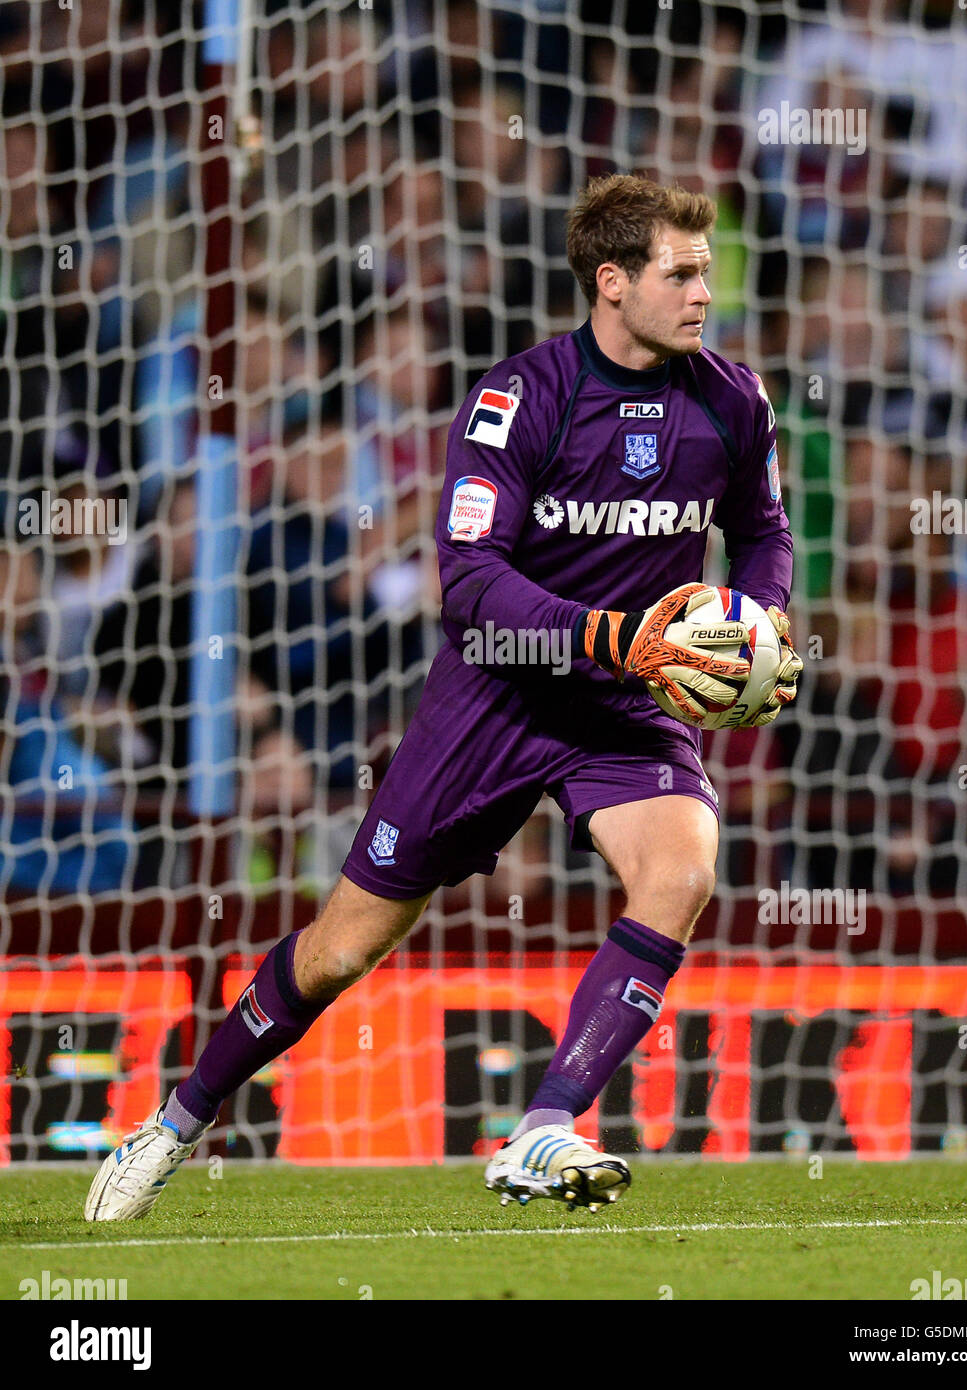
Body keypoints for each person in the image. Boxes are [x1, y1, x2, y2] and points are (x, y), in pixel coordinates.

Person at [84, 175, 801, 1221]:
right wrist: (611, 633)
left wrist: (762, 618)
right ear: (610, 283)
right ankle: (173, 1122)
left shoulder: (731, 400)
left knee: (681, 869)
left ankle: (543, 1126)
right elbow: (468, 579)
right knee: (340, 950)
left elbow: (764, 534)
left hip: (627, 704)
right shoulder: (521, 399)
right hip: (496, 697)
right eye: (679, 272)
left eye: (703, 271)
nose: (703, 291)